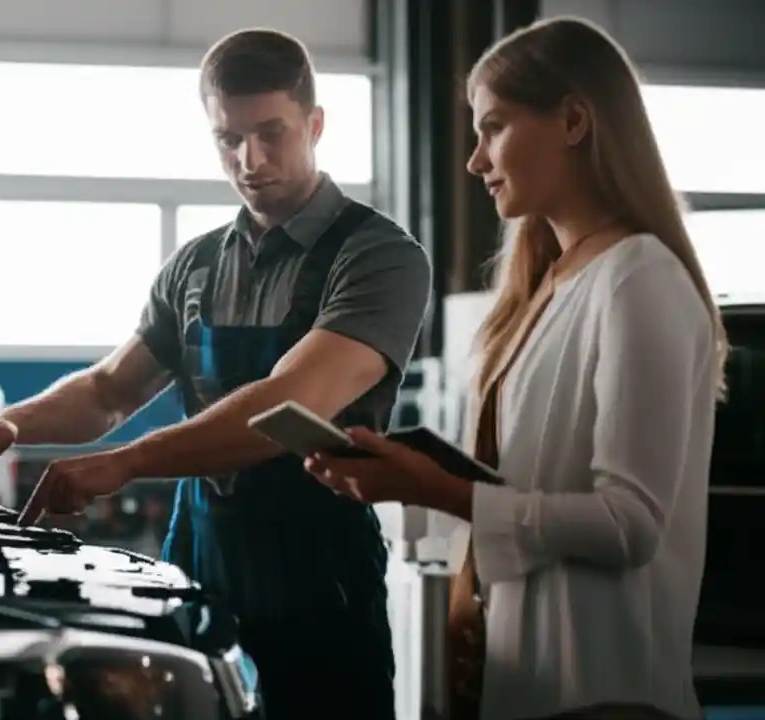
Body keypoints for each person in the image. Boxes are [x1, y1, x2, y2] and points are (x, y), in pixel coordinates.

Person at [0, 28, 432, 719]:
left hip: (319, 576)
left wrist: (126, 462)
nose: (250, 160)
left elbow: (289, 403)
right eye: (229, 139)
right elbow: (109, 389)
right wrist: (14, 422)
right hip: (201, 560)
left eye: (271, 133)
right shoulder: (194, 267)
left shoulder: (379, 258)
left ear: (314, 124)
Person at [302, 16, 725, 720]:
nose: (475, 161)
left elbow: (628, 525)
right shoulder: (549, 286)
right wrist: (413, 482)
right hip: (531, 688)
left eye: (493, 128)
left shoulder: (639, 278)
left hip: (608, 697)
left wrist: (439, 489)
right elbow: (525, 493)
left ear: (574, 121)